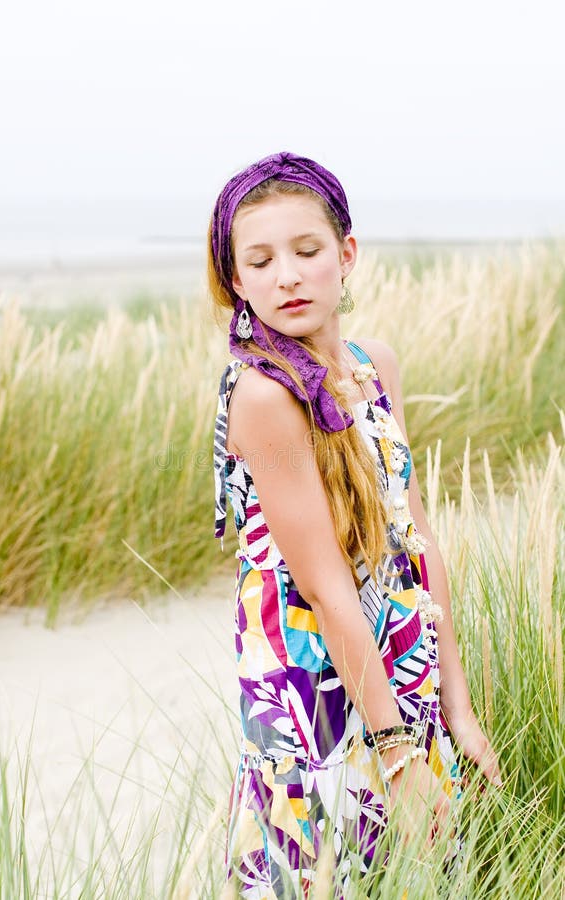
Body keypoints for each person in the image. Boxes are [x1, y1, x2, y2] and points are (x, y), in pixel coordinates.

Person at [209, 152, 502, 897]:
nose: (288, 276)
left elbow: (416, 539)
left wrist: (455, 706)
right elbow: (328, 588)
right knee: (330, 871)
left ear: (346, 256)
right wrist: (397, 756)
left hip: (397, 654)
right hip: (313, 682)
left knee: (422, 868)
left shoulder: (377, 366)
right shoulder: (265, 397)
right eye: (262, 261)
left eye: (307, 252)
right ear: (238, 282)